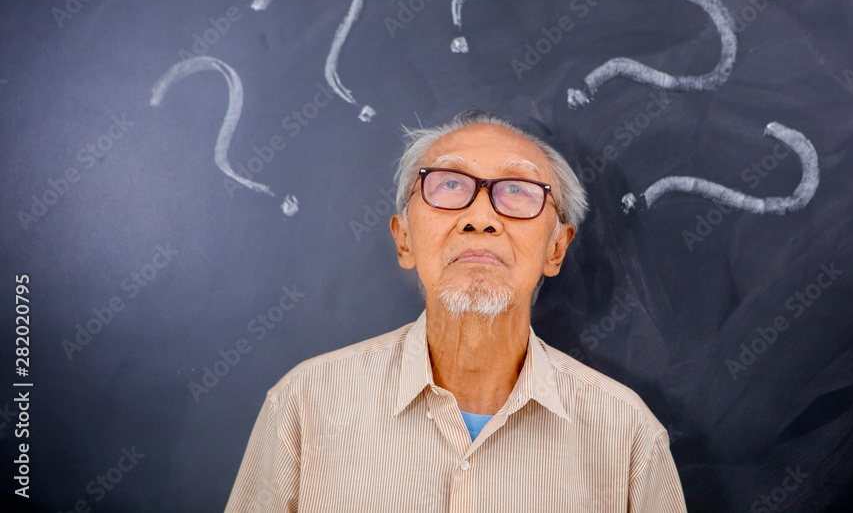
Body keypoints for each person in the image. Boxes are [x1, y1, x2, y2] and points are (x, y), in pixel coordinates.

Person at [224, 110, 687, 511]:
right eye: (448, 184)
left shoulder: (625, 434)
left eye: (518, 190)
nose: (481, 217)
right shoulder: (305, 404)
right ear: (404, 238)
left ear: (556, 249)